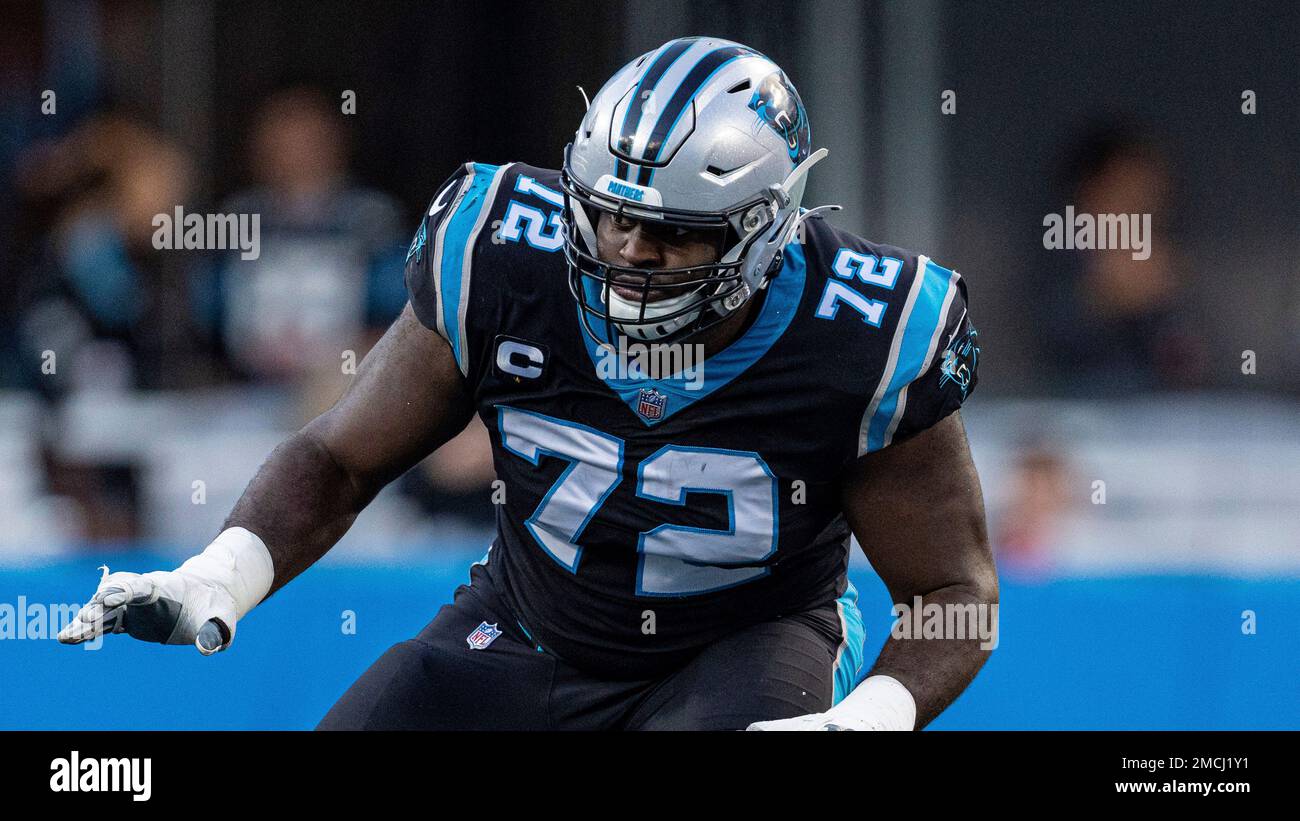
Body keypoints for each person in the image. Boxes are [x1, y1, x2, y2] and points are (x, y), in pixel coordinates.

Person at [60, 37, 997, 731]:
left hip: (744, 649)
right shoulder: (505, 248)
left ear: (764, 229)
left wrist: (869, 715)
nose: (629, 255)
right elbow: (339, 458)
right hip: (529, 628)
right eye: (609, 218)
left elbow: (954, 588)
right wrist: (218, 573)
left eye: (672, 234)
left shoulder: (867, 331)